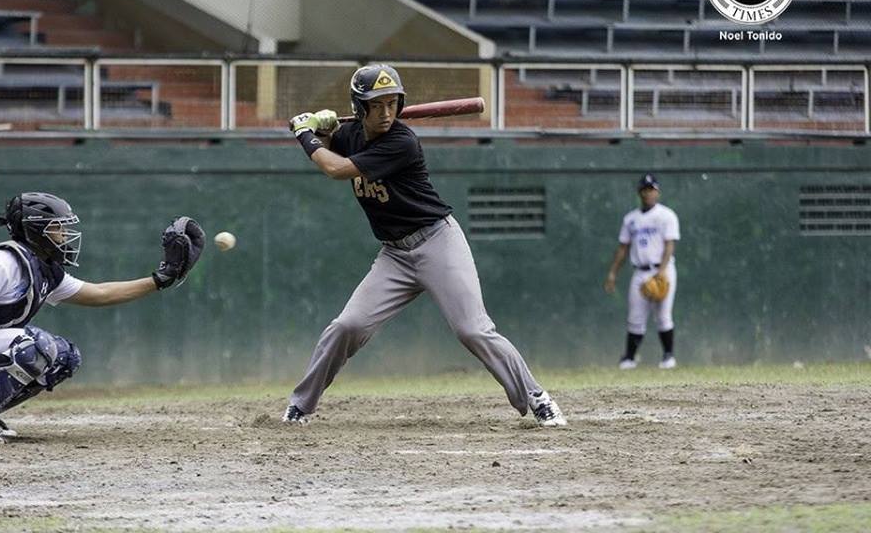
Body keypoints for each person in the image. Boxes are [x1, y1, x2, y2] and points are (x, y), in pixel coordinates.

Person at [282, 64, 566, 427]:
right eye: (377, 104)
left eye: (392, 103)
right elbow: (332, 144)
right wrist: (322, 128)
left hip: (437, 242)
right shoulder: (351, 134)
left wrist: (305, 134)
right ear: (359, 107)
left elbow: (335, 169)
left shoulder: (401, 141)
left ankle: (537, 397)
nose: (386, 112)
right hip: (395, 255)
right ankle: (301, 406)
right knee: (347, 325)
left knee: (472, 329)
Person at [0, 192, 203, 443]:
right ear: (34, 231)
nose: (64, 236)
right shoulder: (0, 263)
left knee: (65, 357)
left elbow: (100, 293)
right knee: (37, 345)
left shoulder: (43, 270)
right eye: (57, 229)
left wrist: (161, 278)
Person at [603, 173, 680, 370]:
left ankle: (668, 356)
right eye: (645, 190)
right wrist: (612, 273)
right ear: (640, 193)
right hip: (640, 271)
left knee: (663, 316)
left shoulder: (666, 215)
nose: (648, 193)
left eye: (652, 189)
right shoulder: (631, 219)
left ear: (658, 192)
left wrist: (661, 271)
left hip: (662, 269)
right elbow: (623, 248)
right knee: (635, 318)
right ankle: (629, 357)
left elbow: (669, 245)